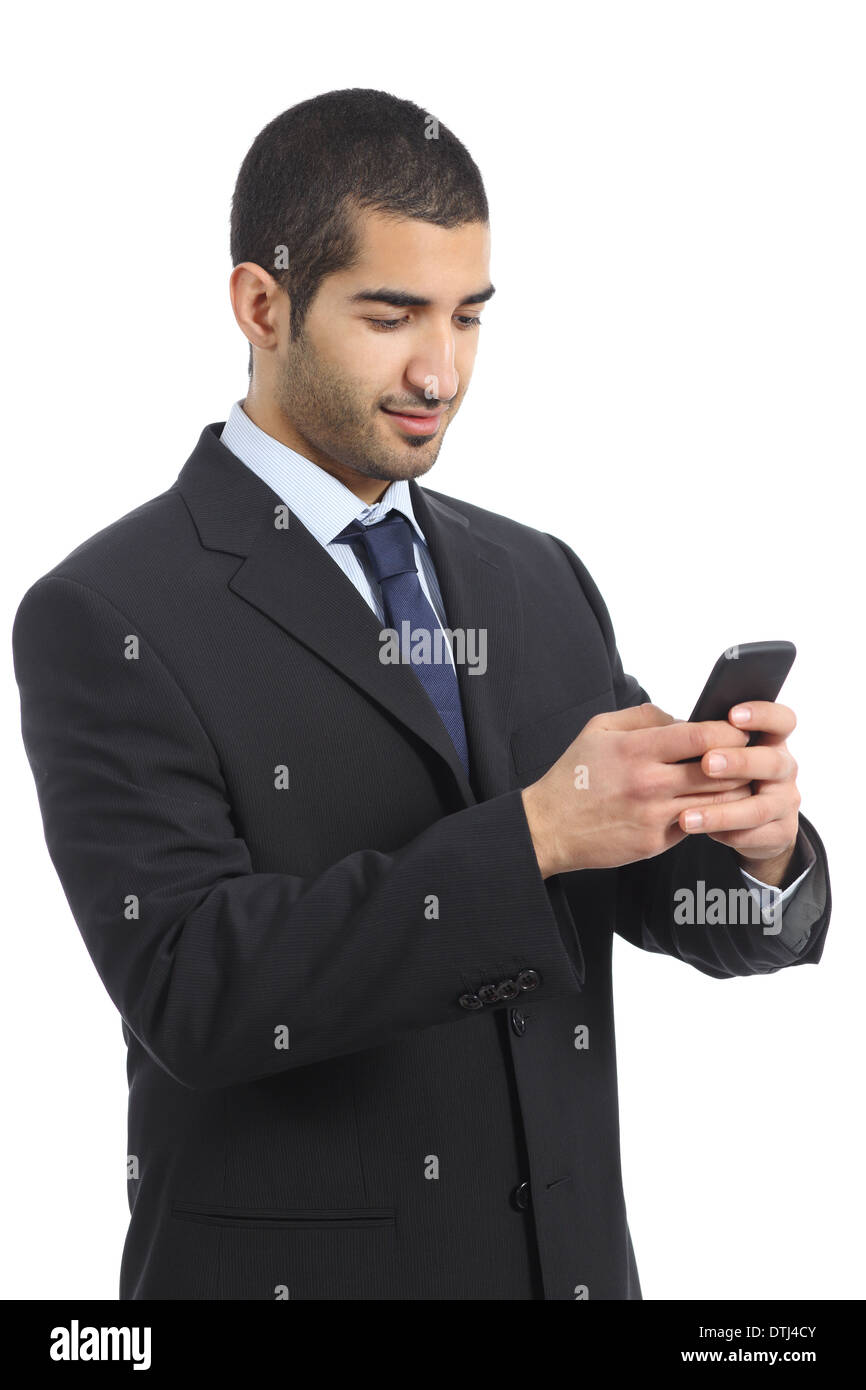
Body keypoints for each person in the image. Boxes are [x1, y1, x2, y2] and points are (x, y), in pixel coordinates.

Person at [11, 88, 830, 1301]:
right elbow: (192, 990)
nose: (437, 370)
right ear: (261, 304)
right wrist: (532, 833)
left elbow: (650, 888)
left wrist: (756, 851)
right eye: (389, 315)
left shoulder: (533, 574)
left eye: (467, 316)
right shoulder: (110, 612)